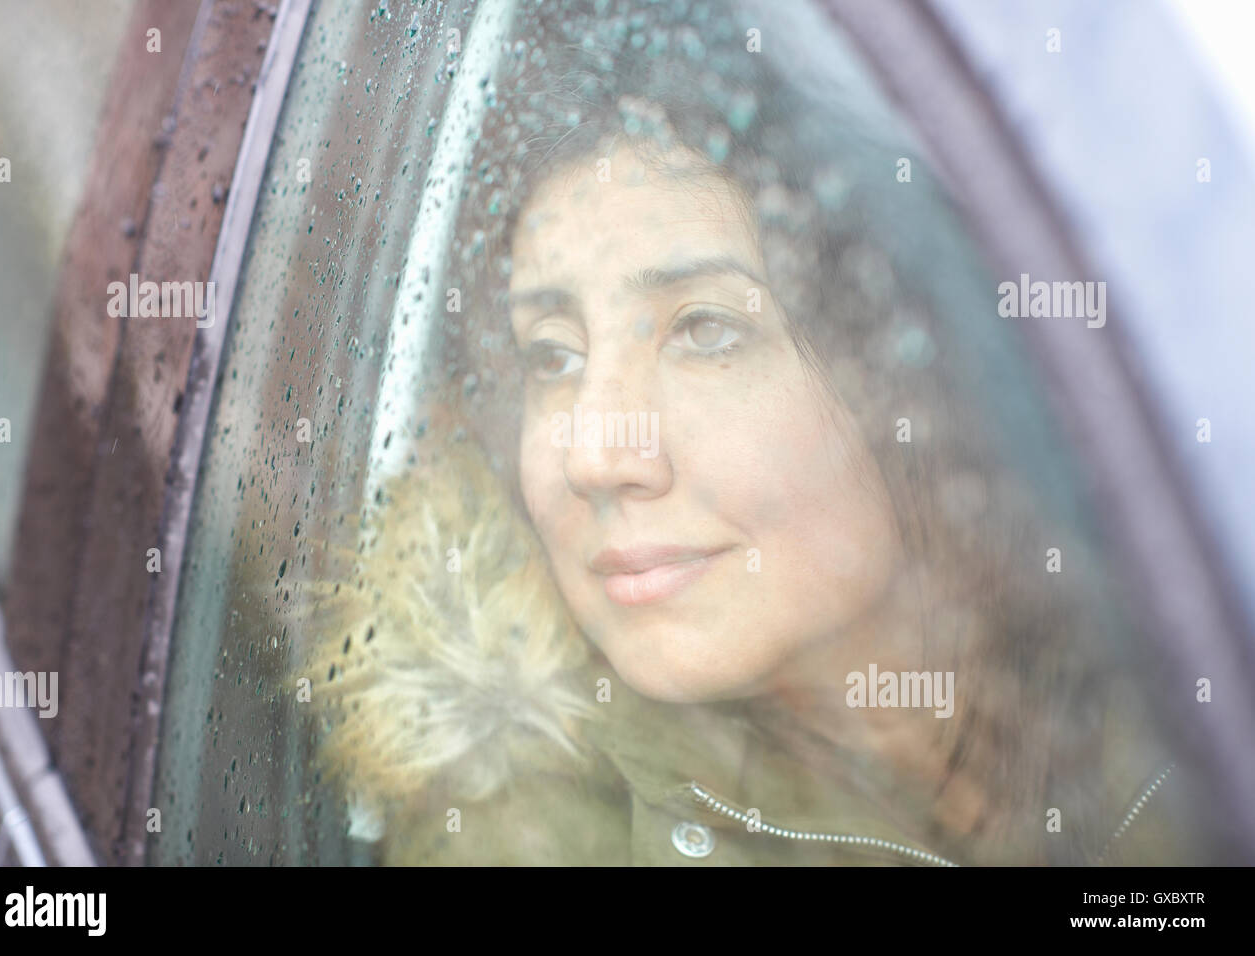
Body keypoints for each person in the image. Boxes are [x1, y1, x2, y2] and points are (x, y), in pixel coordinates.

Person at [300, 0, 1207, 865]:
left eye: (704, 331)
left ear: (912, 368)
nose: (595, 455)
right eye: (551, 356)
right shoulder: (527, 840)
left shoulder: (1178, 634)